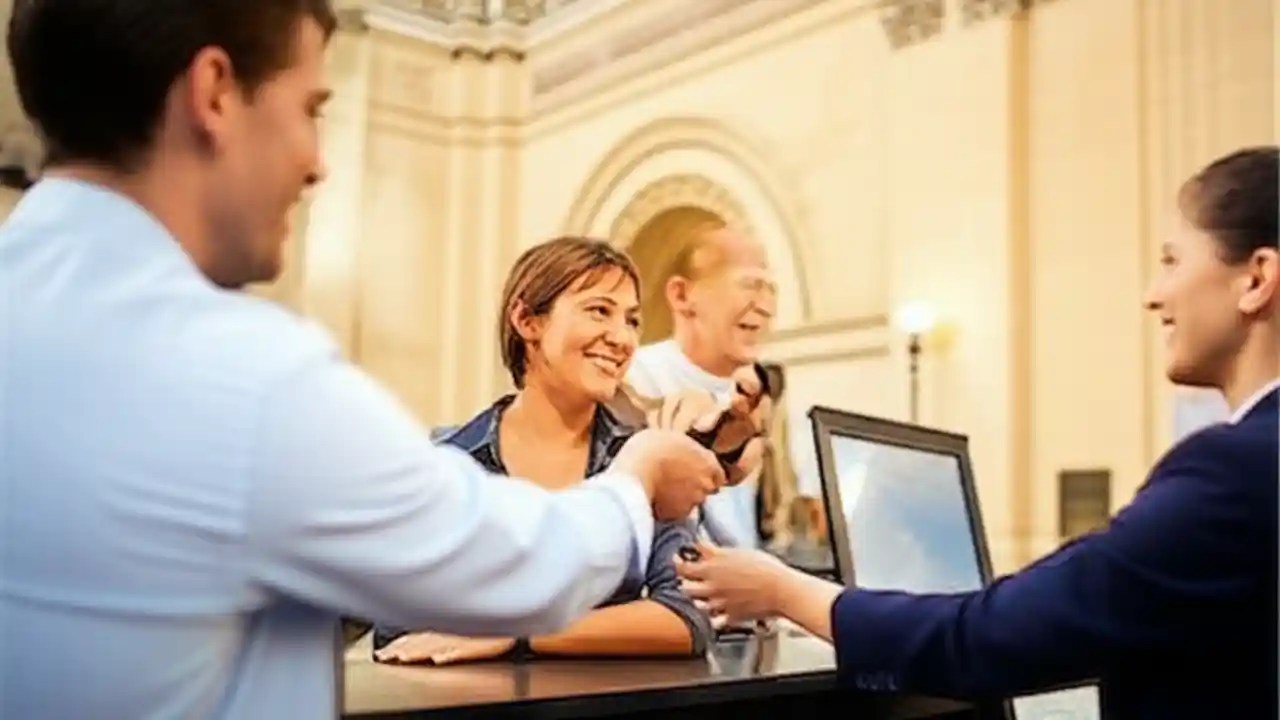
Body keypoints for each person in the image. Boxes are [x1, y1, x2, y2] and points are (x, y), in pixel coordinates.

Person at [0, 2, 732, 718]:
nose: (318, 163)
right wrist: (638, 477)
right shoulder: (252, 378)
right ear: (214, 92)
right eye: (311, 109)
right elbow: (517, 568)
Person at [675, 146, 1280, 720]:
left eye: (1173, 260)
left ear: (1256, 279)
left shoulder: (1234, 470)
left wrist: (780, 590)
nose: (1155, 295)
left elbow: (987, 638)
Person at [371, 237, 769, 663]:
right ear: (527, 320)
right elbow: (398, 628)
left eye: (632, 320)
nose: (621, 338)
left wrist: (521, 634)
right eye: (599, 310)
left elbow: (688, 615)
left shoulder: (644, 455)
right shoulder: (450, 459)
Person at [626, 222, 822, 548]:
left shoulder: (773, 397)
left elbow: (803, 523)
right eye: (750, 284)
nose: (764, 306)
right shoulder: (635, 379)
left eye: (771, 289)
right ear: (681, 294)